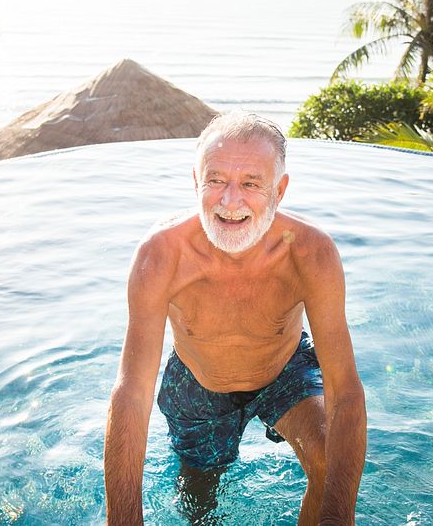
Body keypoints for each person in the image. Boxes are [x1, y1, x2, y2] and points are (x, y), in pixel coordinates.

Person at [104, 112, 366, 525]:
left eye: (250, 183)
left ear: (279, 190)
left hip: (284, 369)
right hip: (198, 382)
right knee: (199, 503)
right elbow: (132, 392)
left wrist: (339, 517)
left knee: (327, 463)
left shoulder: (311, 254)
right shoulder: (160, 256)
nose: (230, 201)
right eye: (216, 180)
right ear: (196, 181)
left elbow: (345, 390)